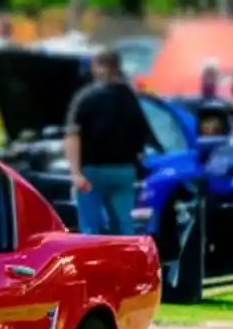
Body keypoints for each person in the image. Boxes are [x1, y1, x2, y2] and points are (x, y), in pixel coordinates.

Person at [63, 49, 160, 236]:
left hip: (92, 171)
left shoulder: (85, 97)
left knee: (91, 227)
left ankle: (94, 263)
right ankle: (127, 262)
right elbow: (144, 134)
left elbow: (73, 136)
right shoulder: (131, 98)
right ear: (118, 67)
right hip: (124, 171)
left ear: (96, 67)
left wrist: (75, 173)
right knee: (124, 225)